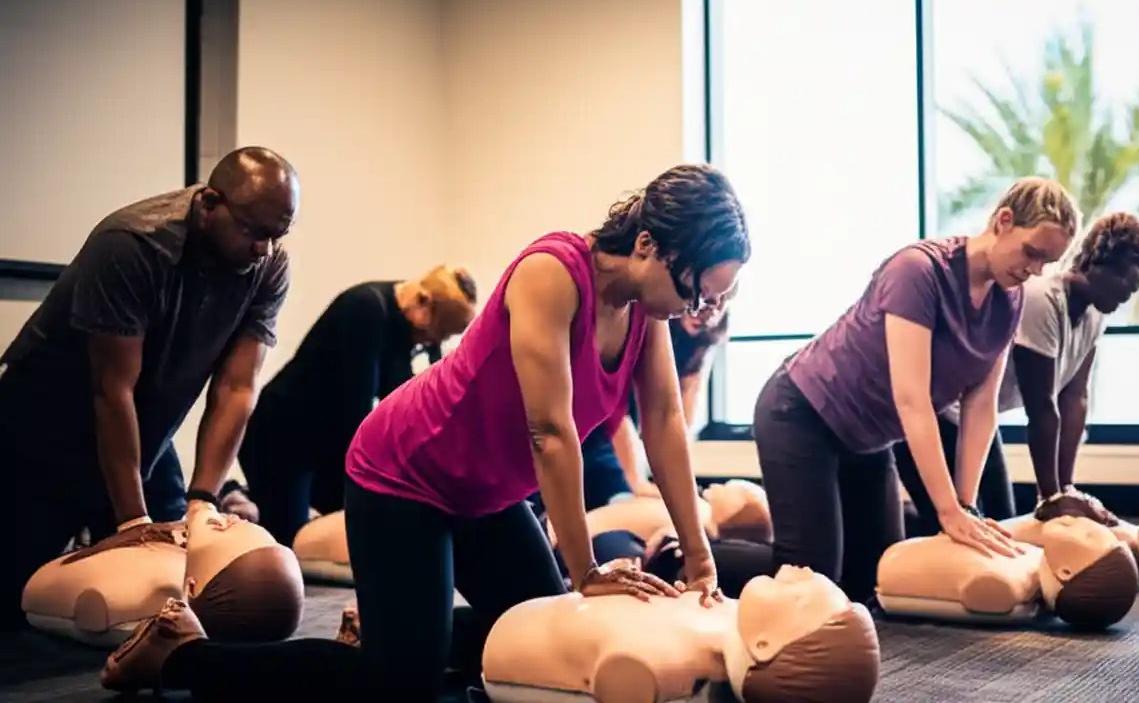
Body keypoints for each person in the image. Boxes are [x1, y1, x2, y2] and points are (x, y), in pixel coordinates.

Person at [100, 162, 752, 700]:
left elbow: (664, 423)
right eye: (698, 292)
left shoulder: (647, 314)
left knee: (538, 635)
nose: (702, 311)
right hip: (404, 474)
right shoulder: (553, 273)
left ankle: (393, 622)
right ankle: (182, 656)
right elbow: (550, 433)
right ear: (647, 247)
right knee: (398, 683)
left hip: (485, 496)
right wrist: (585, 569)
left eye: (716, 300)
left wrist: (700, 560)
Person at [0, 147, 299, 630]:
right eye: (252, 231)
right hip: (44, 422)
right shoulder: (131, 244)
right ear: (208, 205)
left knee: (170, 593)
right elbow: (110, 389)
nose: (263, 249)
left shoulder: (268, 263)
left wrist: (203, 499)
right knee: (15, 601)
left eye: (276, 235)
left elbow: (237, 387)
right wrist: (133, 524)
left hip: (146, 424)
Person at [752, 177, 1079, 606]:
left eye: (1047, 263)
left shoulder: (1009, 299)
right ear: (1003, 222)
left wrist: (965, 506)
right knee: (810, 578)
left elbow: (980, 406)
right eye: (1032, 253)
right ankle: (681, 560)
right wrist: (946, 513)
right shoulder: (918, 271)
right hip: (802, 412)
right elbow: (912, 399)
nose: (1034, 270)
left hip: (868, 438)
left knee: (874, 576)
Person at [895, 211, 1139, 536]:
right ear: (1096, 263)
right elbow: (1042, 408)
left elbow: (1075, 398)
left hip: (977, 418)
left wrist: (1066, 489)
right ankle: (899, 525)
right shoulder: (1041, 300)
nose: (1133, 289)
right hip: (941, 413)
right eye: (1127, 277)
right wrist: (1050, 497)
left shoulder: (1095, 317)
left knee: (1001, 524)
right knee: (963, 529)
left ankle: (911, 520)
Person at [235, 266, 479, 546]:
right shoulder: (366, 308)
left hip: (321, 441)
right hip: (280, 438)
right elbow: (357, 407)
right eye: (438, 334)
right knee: (288, 539)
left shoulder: (407, 326)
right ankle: (238, 507)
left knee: (355, 521)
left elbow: (403, 399)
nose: (433, 343)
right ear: (424, 303)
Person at [566, 305, 732, 510]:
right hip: (599, 425)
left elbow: (681, 418)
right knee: (618, 490)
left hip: (627, 425)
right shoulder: (649, 322)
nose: (704, 312)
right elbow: (616, 411)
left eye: (718, 304)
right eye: (701, 301)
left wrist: (678, 488)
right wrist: (635, 482)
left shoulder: (704, 341)